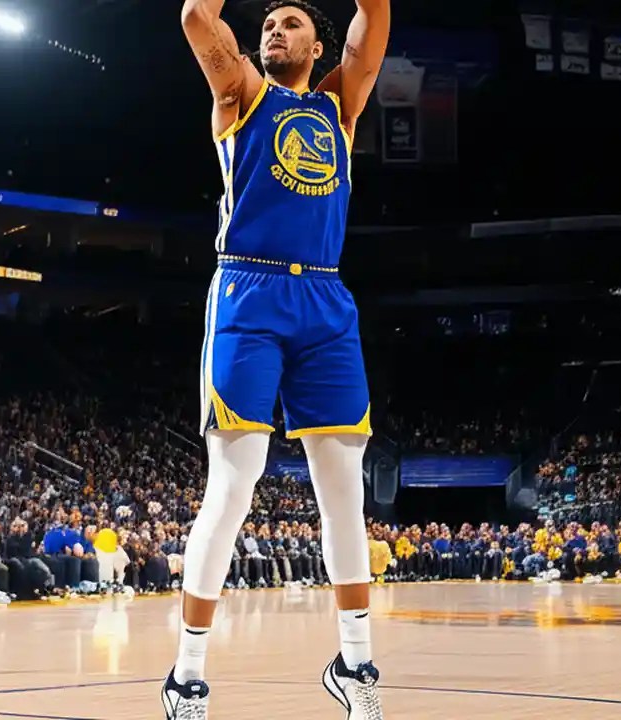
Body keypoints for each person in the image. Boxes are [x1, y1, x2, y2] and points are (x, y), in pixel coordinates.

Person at [167, 0, 390, 717]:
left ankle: (355, 670)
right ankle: (187, 676)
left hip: (324, 297)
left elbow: (374, 21)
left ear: (318, 45)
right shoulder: (240, 93)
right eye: (268, 23)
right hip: (248, 288)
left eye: (291, 23)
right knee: (235, 482)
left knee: (344, 489)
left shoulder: (338, 106)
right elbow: (198, 18)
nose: (275, 30)